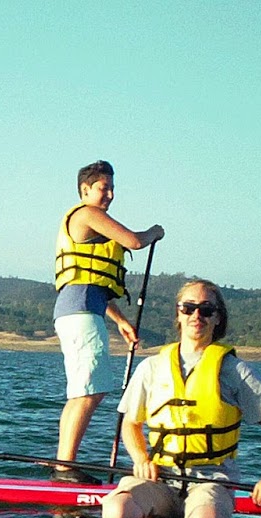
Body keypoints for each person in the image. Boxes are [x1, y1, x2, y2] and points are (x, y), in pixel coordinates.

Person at [93, 279, 261, 518]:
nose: (196, 315)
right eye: (188, 308)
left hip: (211, 482)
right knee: (115, 515)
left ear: (217, 318)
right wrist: (141, 458)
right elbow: (131, 424)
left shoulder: (234, 371)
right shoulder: (151, 367)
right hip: (159, 479)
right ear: (178, 314)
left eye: (206, 309)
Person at [52, 159, 165, 478]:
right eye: (104, 188)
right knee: (88, 390)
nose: (110, 195)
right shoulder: (87, 214)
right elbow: (134, 241)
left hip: (84, 308)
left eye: (113, 188)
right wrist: (154, 232)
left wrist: (120, 320)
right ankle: (64, 465)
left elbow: (96, 284)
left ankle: (64, 463)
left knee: (86, 389)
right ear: (85, 189)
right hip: (80, 311)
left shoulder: (91, 217)